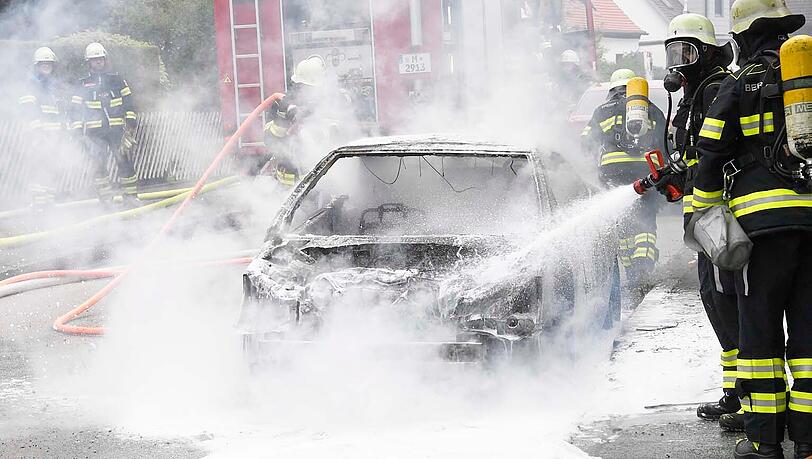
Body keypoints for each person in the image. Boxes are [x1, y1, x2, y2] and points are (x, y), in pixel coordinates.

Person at [691, 0, 810, 457]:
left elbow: (710, 153)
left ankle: (764, 443)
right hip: (810, 224)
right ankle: (807, 442)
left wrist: (701, 214)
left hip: (760, 232)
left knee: (759, 338)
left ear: (744, 37)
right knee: (809, 340)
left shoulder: (740, 82)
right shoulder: (807, 83)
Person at [651, 13, 744, 430]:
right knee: (715, 300)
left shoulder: (716, 89)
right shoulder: (693, 98)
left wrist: (687, 173)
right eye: (672, 53)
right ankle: (735, 392)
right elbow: (694, 155)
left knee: (727, 301)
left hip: (720, 216)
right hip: (703, 218)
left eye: (686, 53)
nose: (678, 63)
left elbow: (715, 154)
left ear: (705, 53)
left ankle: (747, 397)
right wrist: (675, 175)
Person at [581, 69, 667, 303]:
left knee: (621, 221)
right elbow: (664, 144)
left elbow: (586, 141)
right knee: (646, 221)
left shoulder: (602, 110)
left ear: (612, 90)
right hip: (645, 172)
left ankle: (632, 272)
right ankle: (642, 270)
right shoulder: (653, 110)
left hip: (613, 173)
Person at [263, 55, 351, 186]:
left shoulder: (327, 102)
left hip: (322, 181)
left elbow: (346, 108)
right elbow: (271, 141)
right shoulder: (282, 104)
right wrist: (283, 118)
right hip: (292, 182)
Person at [70, 42, 139, 205]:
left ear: (105, 59)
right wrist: (78, 131)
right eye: (95, 59)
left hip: (117, 131)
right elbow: (75, 109)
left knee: (124, 162)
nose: (98, 62)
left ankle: (131, 197)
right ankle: (105, 200)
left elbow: (129, 102)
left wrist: (130, 124)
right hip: (95, 133)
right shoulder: (82, 84)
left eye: (100, 58)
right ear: (89, 62)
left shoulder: (117, 80)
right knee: (99, 165)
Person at [18, 47, 69, 208]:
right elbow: (28, 110)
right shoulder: (31, 84)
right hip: (38, 136)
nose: (47, 66)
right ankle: (38, 205)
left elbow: (60, 112)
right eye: (43, 64)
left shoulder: (54, 86)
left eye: (49, 64)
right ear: (37, 65)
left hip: (55, 136)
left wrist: (64, 129)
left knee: (53, 169)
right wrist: (37, 133)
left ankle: (48, 204)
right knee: (39, 169)